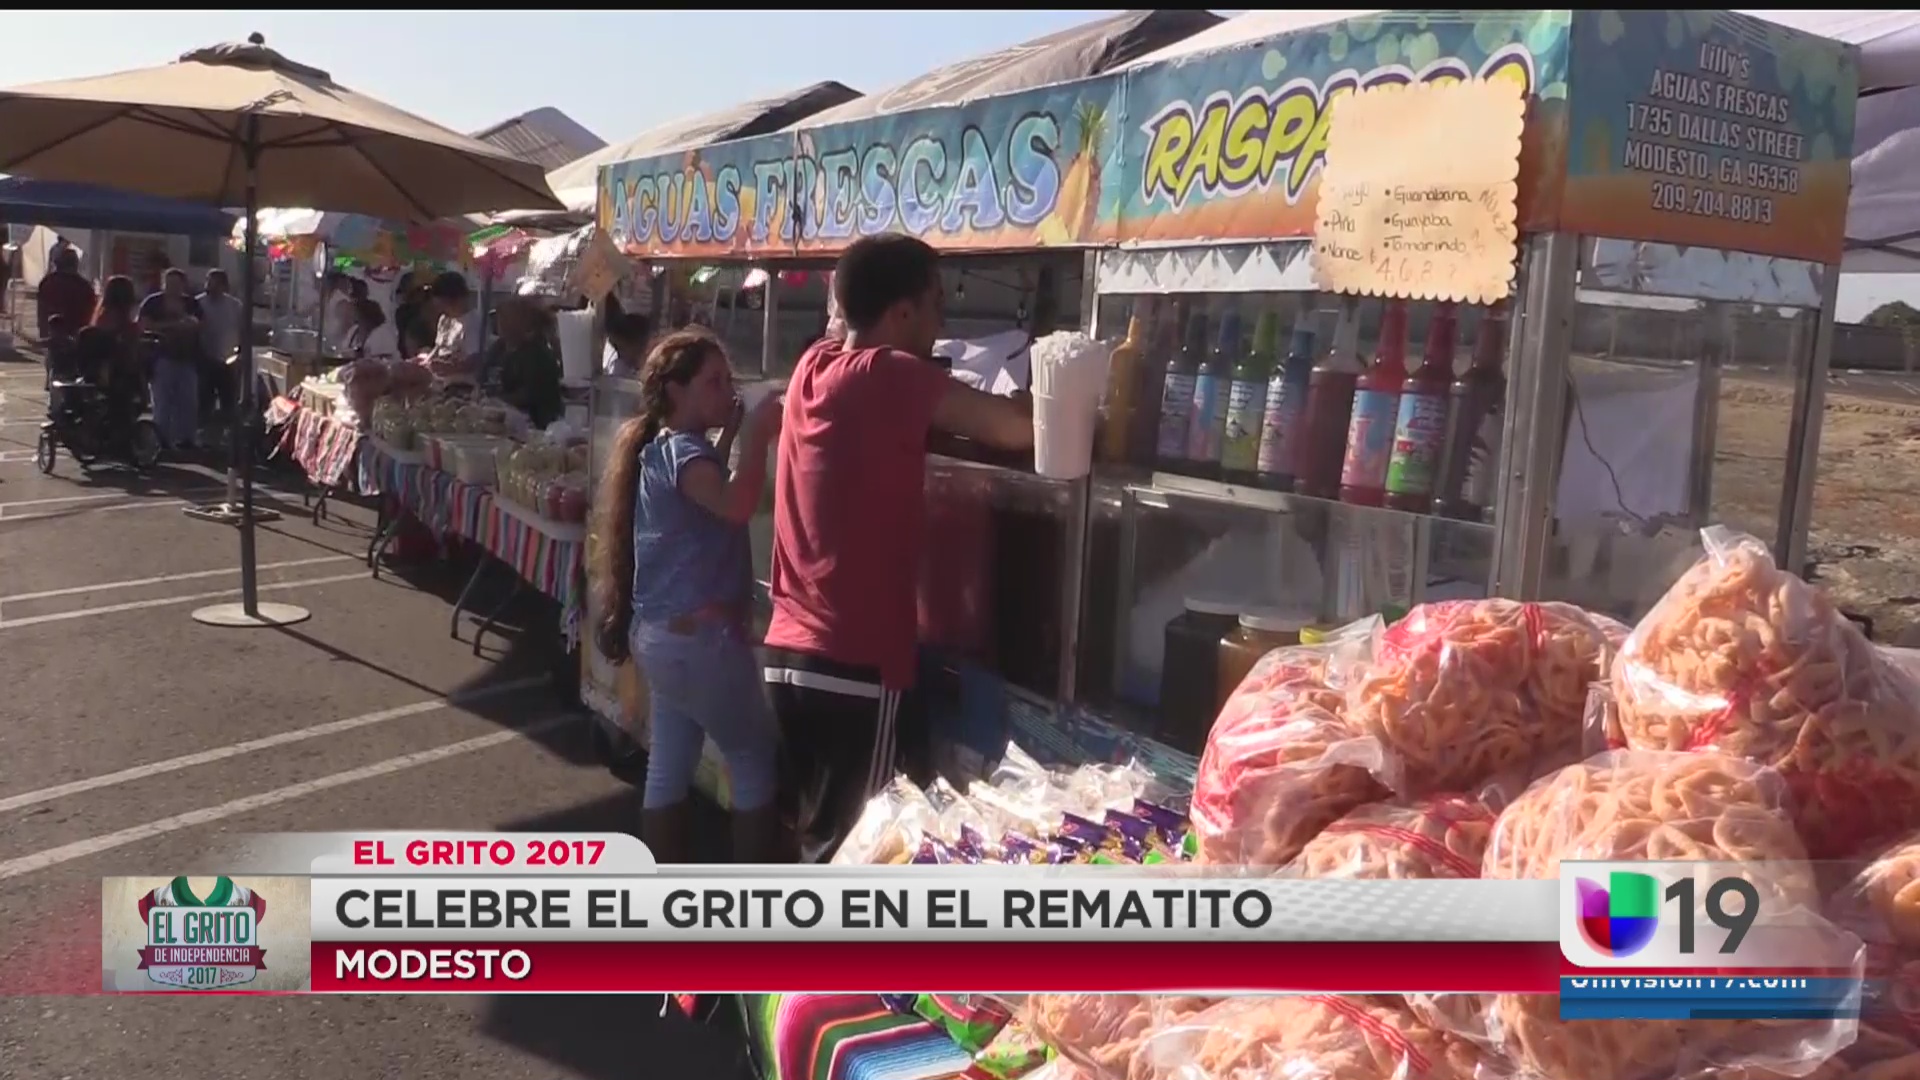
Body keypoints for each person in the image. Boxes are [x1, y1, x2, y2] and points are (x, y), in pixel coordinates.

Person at [762, 235, 1035, 863]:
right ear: (902, 312)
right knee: (867, 854)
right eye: (937, 305)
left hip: (787, 655)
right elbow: (1015, 428)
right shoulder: (891, 373)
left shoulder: (813, 366)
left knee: (819, 843)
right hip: (854, 664)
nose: (943, 323)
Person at [591, 328, 786, 863]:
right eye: (714, 382)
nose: (729, 390)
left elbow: (707, 491)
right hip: (700, 641)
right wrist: (757, 438)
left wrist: (733, 434)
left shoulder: (666, 447)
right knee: (753, 759)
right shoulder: (686, 454)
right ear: (677, 392)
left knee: (669, 766)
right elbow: (734, 505)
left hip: (663, 637)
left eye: (728, 379)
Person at [139, 268, 204, 449]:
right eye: (169, 283)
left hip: (187, 359)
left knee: (188, 401)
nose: (173, 287)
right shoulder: (153, 302)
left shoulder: (191, 303)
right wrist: (174, 325)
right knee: (162, 402)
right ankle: (161, 440)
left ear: (183, 285)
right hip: (161, 358)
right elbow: (145, 325)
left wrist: (185, 324)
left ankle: (186, 439)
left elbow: (198, 324)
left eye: (177, 283)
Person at [479, 299, 563, 426]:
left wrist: (498, 401)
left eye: (506, 318)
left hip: (533, 423)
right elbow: (482, 375)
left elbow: (531, 395)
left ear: (522, 322)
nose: (500, 323)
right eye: (499, 318)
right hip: (494, 419)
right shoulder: (498, 347)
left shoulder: (537, 354)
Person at [196, 269, 244, 422]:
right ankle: (204, 428)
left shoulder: (235, 306)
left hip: (228, 359)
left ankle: (228, 428)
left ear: (224, 285)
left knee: (229, 399)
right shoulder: (198, 303)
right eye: (208, 282)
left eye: (215, 283)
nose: (210, 286)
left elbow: (242, 329)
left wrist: (240, 353)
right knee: (204, 398)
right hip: (205, 358)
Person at [35, 246, 96, 348]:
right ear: (76, 265)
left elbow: (42, 311)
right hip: (76, 338)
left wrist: (43, 332)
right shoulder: (84, 286)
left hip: (53, 335)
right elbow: (90, 312)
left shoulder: (47, 282)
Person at [417, 271, 473, 377]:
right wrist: (426, 361)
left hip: (461, 380)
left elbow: (476, 360)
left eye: (443, 305)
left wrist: (450, 368)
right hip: (439, 377)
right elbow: (439, 346)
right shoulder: (444, 319)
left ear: (456, 300)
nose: (440, 310)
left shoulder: (473, 322)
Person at [604, 311, 652, 377]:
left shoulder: (651, 365)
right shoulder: (620, 368)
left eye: (621, 348)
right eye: (617, 348)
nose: (619, 353)